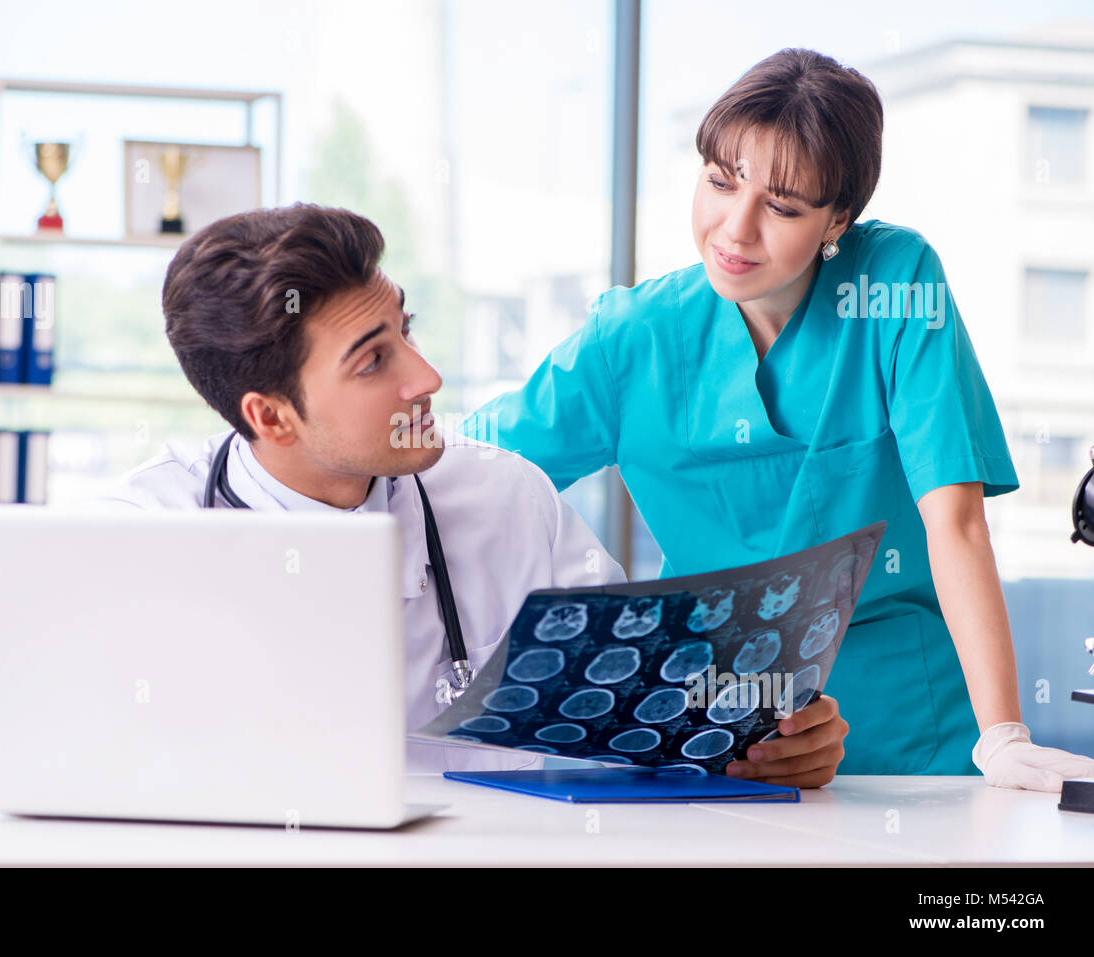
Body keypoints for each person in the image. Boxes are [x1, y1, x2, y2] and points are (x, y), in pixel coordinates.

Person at [463, 48, 1094, 790]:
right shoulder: (635, 338)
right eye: (719, 183)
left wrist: (1004, 734)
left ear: (839, 220)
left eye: (783, 207)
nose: (735, 230)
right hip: (719, 725)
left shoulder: (893, 284)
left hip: (908, 735)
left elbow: (952, 519)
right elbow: (472, 471)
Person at [92, 203, 850, 783]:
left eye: (406, 333)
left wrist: (761, 744)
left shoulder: (508, 500)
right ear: (270, 415)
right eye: (373, 361)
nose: (425, 378)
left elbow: (645, 719)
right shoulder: (141, 539)